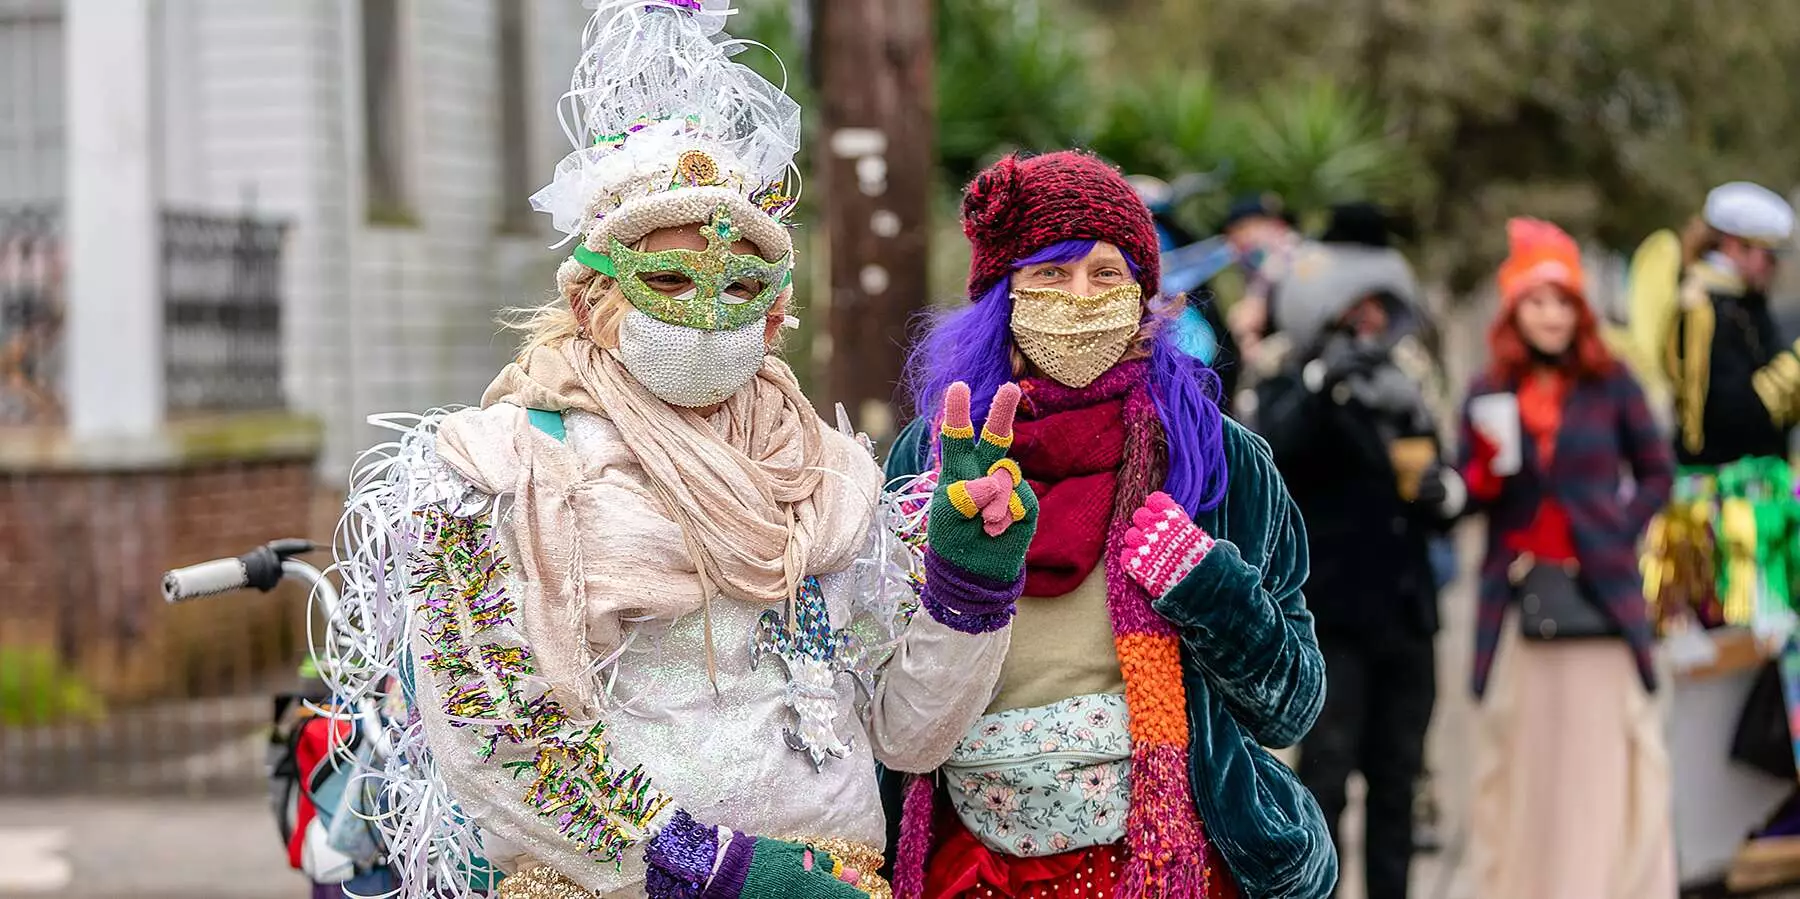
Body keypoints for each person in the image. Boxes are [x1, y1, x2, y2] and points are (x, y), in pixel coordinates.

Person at [327, 4, 1035, 897]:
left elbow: (908, 731)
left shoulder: (830, 476)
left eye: (738, 282)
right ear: (591, 298)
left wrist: (971, 579)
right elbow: (501, 736)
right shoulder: (495, 472)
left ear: (776, 313)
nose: (705, 311)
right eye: (665, 278)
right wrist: (722, 871)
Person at [885, 150, 1335, 899]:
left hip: (1169, 863)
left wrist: (1210, 585)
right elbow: (882, 692)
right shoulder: (938, 453)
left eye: (1105, 274)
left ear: (1142, 294)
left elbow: (1291, 706)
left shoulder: (1216, 460)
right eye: (1049, 275)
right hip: (973, 870)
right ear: (1005, 294)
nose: (1080, 297)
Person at [1458, 218, 1677, 899]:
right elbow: (1467, 492)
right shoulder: (1489, 389)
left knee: (1604, 764)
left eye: (1562, 301)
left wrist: (1616, 527)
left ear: (1580, 310)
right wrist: (1480, 477)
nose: (1550, 315)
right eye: (1536, 300)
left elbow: (1657, 472)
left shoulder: (1612, 384)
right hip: (1522, 604)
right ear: (1514, 308)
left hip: (1602, 602)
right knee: (1526, 767)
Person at [1249, 241, 1461, 899]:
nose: (1367, 324)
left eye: (1376, 311)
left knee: (1397, 776)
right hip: (1333, 621)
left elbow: (1445, 486)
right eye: (1353, 312)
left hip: (1406, 614)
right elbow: (1273, 453)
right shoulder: (1294, 383)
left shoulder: (1405, 388)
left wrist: (1444, 492)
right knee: (1328, 778)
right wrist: (1321, 381)